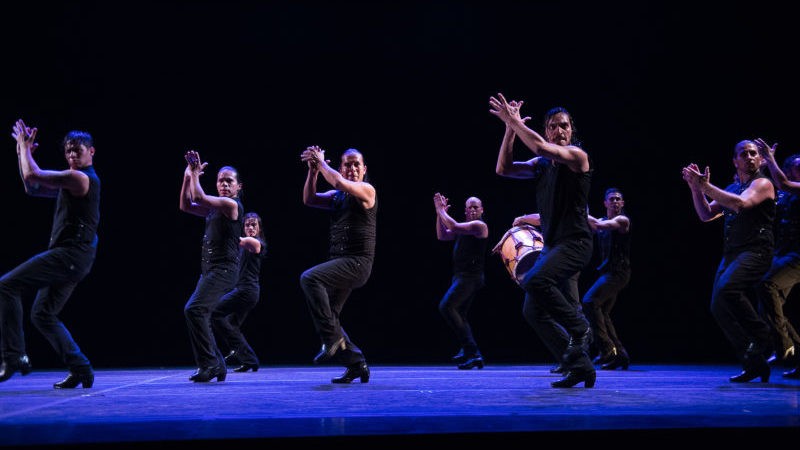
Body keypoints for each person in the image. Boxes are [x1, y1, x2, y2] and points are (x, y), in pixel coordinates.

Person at [490, 94, 596, 388]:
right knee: (532, 310)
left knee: (535, 281)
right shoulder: (542, 165)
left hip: (575, 243)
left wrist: (512, 119)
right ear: (547, 129)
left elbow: (538, 146)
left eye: (563, 126)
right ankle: (579, 365)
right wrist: (510, 129)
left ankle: (581, 329)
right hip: (552, 245)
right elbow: (504, 168)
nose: (559, 131)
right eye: (552, 127)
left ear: (571, 130)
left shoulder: (578, 157)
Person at [0, 119, 99, 389]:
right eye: (67, 150)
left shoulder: (80, 178)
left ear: (91, 152)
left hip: (70, 255)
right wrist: (22, 152)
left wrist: (24, 148)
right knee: (42, 314)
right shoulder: (70, 183)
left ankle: (14, 356)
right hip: (73, 257)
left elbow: (33, 174)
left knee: (6, 285)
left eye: (76, 150)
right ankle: (81, 369)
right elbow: (31, 187)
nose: (71, 155)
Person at [682, 139, 775, 383]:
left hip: (756, 250)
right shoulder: (732, 187)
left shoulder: (763, 183)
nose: (749, 157)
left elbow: (740, 204)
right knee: (717, 306)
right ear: (735, 161)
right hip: (732, 253)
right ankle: (753, 361)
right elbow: (706, 214)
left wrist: (706, 186)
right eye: (743, 154)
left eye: (753, 153)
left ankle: (762, 334)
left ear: (762, 159)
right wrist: (696, 188)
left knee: (727, 289)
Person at [300, 146, 376, 384]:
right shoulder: (337, 196)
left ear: (364, 169)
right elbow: (310, 199)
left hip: (357, 263)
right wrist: (313, 171)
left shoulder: (367, 190)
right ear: (341, 167)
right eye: (347, 165)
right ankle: (356, 364)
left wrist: (322, 163)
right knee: (330, 314)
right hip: (339, 262)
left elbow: (339, 183)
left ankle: (332, 341)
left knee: (310, 278)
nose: (352, 169)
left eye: (356, 165)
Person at [179, 150, 243, 383]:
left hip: (224, 270)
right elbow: (186, 204)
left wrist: (195, 175)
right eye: (221, 180)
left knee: (194, 310)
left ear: (238, 187)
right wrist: (188, 176)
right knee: (199, 312)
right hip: (211, 270)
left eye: (229, 181)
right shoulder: (216, 208)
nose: (225, 184)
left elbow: (200, 197)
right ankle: (216, 365)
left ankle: (211, 364)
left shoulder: (231, 205)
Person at [508, 212, 582, 375]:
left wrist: (522, 218)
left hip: (566, 257)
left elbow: (546, 217)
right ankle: (571, 359)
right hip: (551, 257)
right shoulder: (553, 193)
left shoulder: (571, 194)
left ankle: (577, 361)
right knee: (534, 311)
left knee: (571, 312)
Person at [754, 139, 800, 378]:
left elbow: (782, 182)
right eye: (798, 168)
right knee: (773, 305)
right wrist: (762, 167)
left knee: (767, 284)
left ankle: (783, 346)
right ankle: (793, 350)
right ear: (790, 168)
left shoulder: (794, 187)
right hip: (784, 252)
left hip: (799, 256)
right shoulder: (784, 194)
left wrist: (769, 159)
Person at [433, 192, 489, 370]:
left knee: (447, 306)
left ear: (481, 210)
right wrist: (439, 214)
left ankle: (472, 351)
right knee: (460, 314)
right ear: (465, 210)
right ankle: (470, 352)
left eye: (476, 207)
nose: (473, 210)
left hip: (470, 278)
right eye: (469, 207)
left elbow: (453, 225)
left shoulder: (480, 226)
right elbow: (442, 235)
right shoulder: (463, 227)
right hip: (461, 276)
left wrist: (440, 210)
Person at [583, 188, 631, 370]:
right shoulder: (601, 220)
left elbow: (600, 226)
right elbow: (592, 226)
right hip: (607, 273)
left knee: (589, 302)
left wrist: (580, 211)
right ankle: (620, 355)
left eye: (618, 199)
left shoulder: (622, 220)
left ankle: (607, 351)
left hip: (618, 274)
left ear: (623, 203)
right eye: (612, 199)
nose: (615, 202)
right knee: (602, 312)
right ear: (605, 203)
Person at [212, 211, 267, 373]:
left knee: (215, 312)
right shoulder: (243, 246)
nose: (250, 227)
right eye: (247, 225)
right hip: (243, 291)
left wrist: (221, 229)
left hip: (246, 291)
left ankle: (237, 352)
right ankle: (249, 360)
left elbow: (239, 241)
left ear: (259, 228)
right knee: (231, 325)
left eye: (253, 225)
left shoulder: (256, 243)